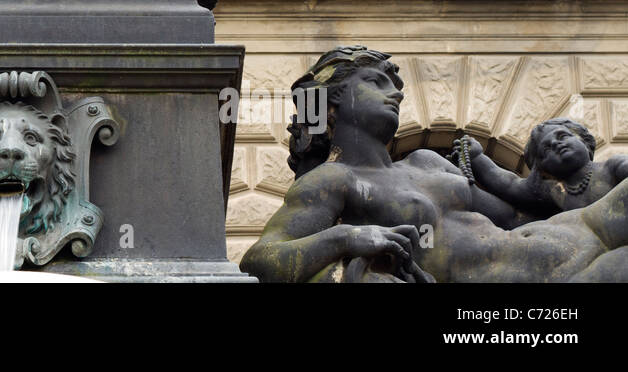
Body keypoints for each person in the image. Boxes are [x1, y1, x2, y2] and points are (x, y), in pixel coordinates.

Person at [240, 45, 628, 282]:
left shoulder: (427, 162)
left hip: (575, 232)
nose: (395, 94)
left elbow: (515, 215)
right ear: (332, 103)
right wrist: (349, 237)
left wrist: (569, 179)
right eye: (376, 83)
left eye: (395, 86)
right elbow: (261, 261)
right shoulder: (334, 179)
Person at [457, 120, 628, 222]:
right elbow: (509, 184)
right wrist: (477, 157)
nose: (556, 144)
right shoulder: (551, 192)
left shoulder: (612, 167)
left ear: (584, 141)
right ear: (544, 170)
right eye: (547, 150)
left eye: (562, 136)